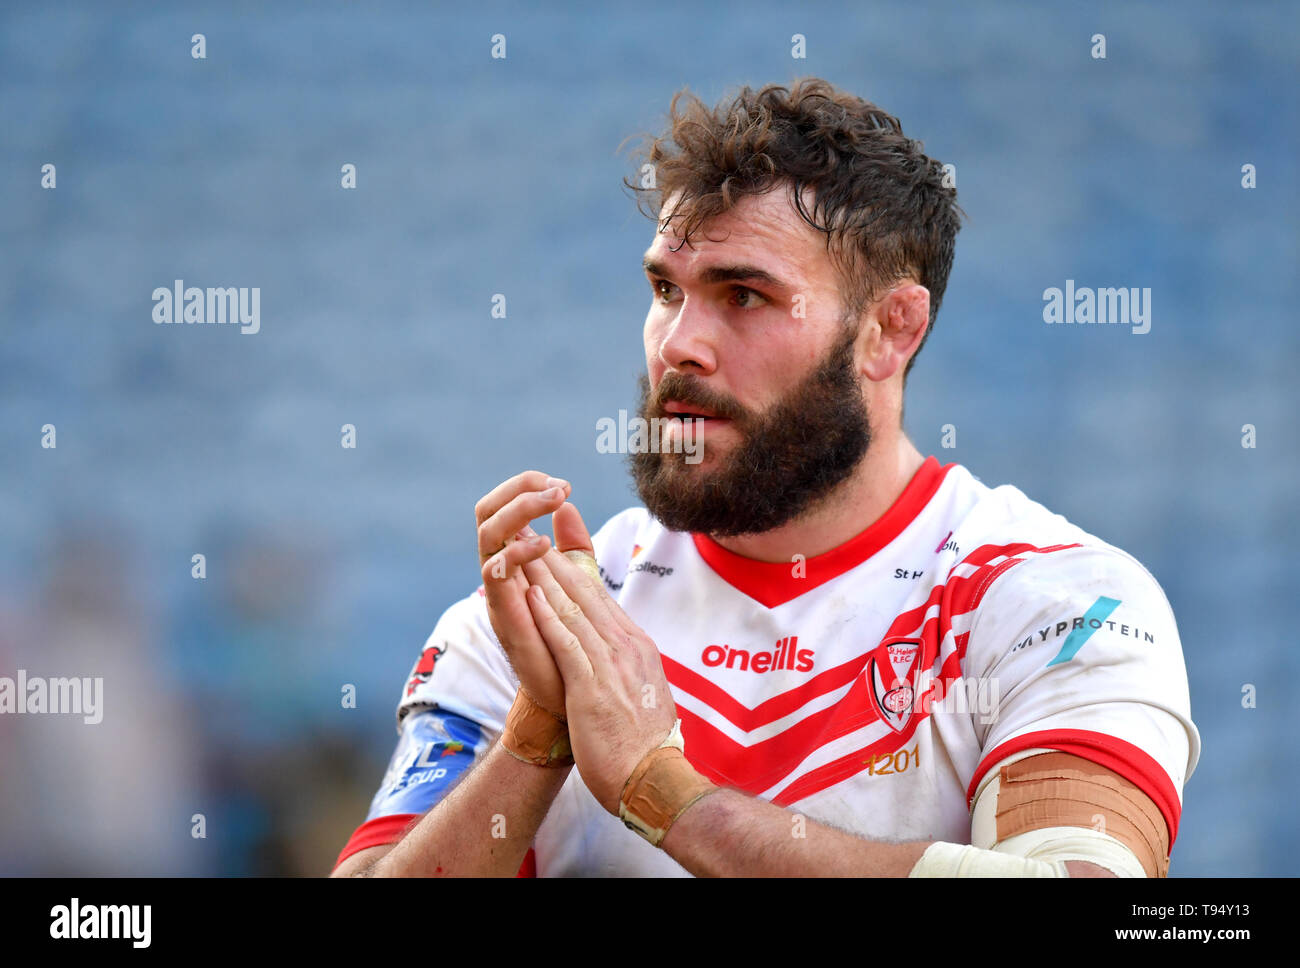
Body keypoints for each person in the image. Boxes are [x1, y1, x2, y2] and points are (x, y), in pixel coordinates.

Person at [331, 77, 1198, 878]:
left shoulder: (1055, 601)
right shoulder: (556, 618)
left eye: (742, 294)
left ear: (890, 330)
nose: (678, 345)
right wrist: (536, 740)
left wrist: (666, 797)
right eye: (666, 290)